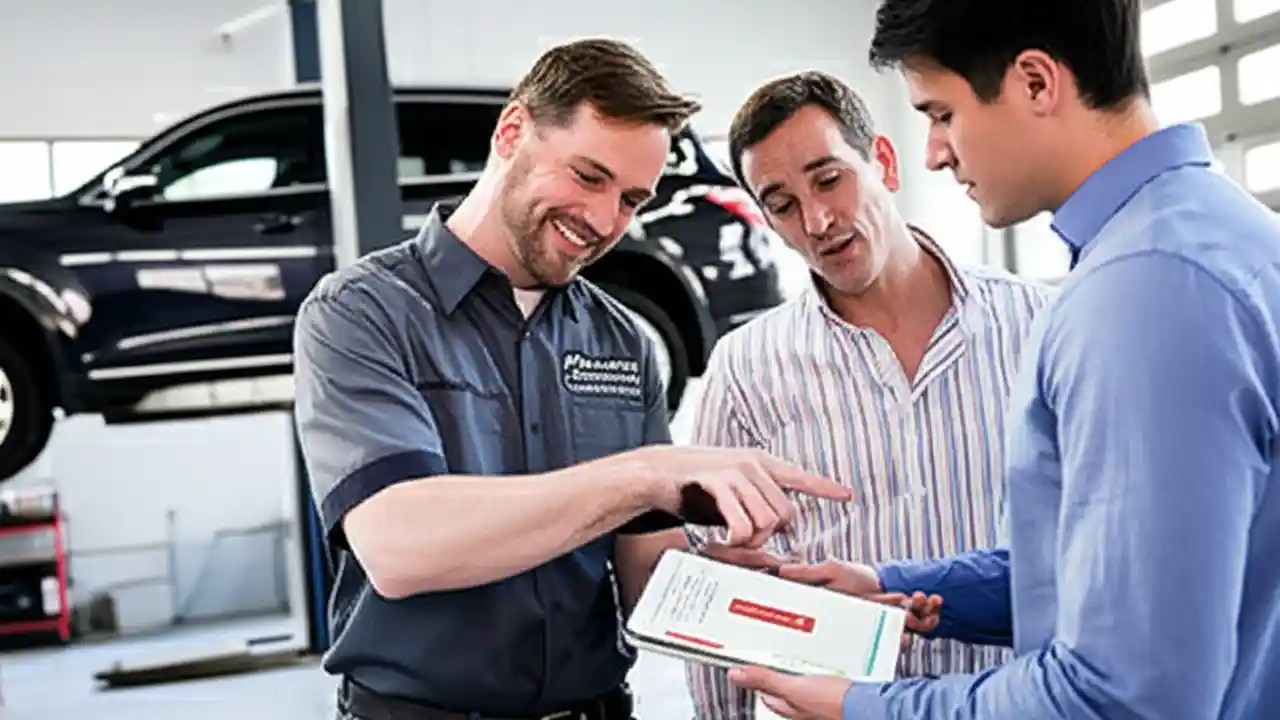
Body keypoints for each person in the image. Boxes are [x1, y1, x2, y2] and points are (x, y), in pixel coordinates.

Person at [725, 1, 1280, 718]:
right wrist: (893, 583)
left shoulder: (1143, 288)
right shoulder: (1210, 232)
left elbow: (1124, 696)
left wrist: (863, 707)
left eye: (942, 113)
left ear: (1036, 83)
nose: (936, 152)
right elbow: (1117, 578)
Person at [291, 37, 851, 720]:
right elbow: (400, 548)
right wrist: (644, 474)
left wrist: (789, 610)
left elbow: (646, 576)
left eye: (632, 199)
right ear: (512, 130)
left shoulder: (622, 343)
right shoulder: (362, 314)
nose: (603, 220)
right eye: (588, 176)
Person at [681, 70, 1055, 720]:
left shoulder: (1038, 324)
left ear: (882, 160)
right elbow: (714, 583)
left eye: (829, 179)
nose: (818, 219)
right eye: (782, 202)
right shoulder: (744, 369)